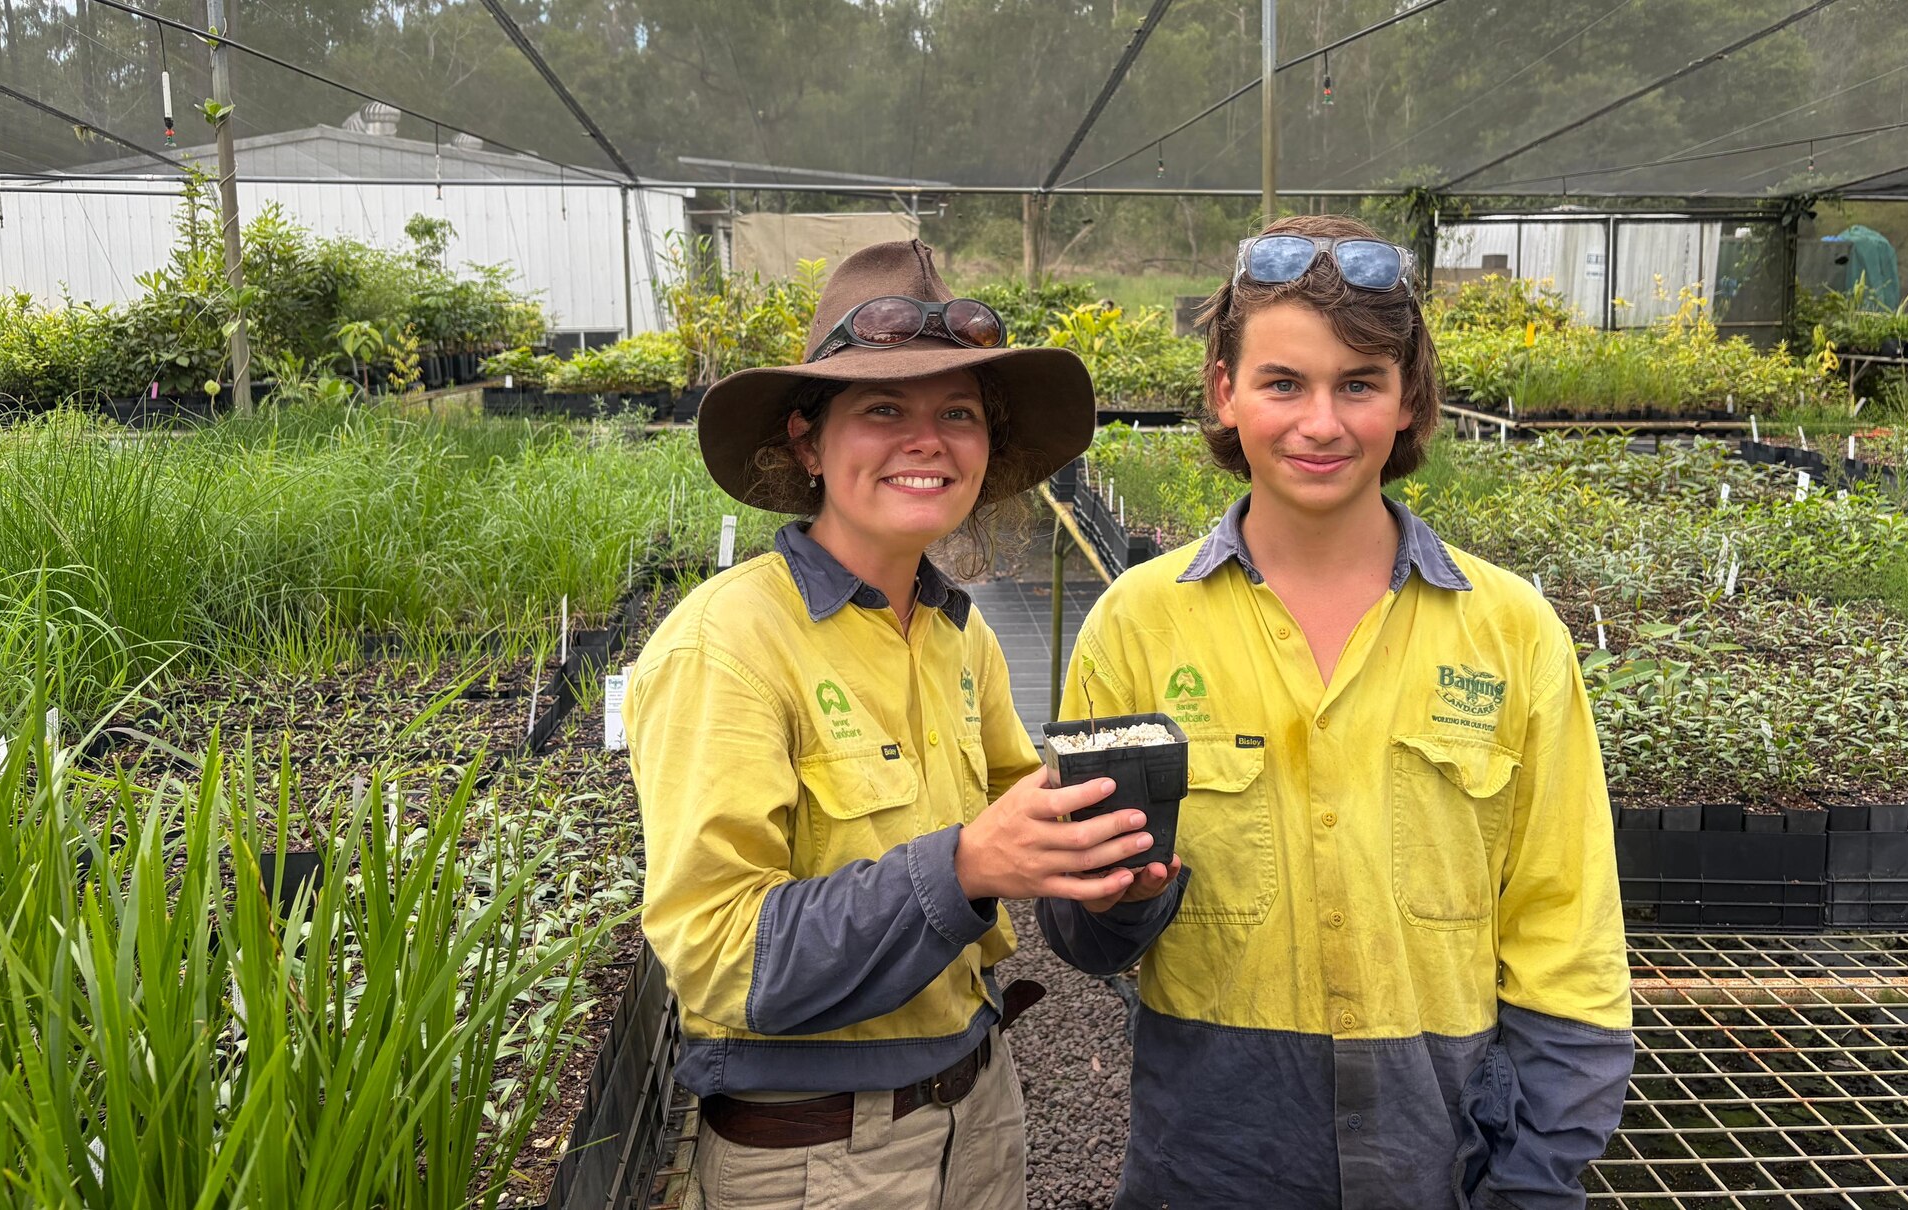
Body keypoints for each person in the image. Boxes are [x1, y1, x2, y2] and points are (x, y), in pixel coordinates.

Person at [1039, 214, 1634, 1209]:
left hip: (1440, 1160)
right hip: (1208, 1162)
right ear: (1224, 393)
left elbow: (1563, 927)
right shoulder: (1134, 627)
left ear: (1406, 401)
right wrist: (1112, 896)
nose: (1321, 422)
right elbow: (1080, 930)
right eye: (1283, 383)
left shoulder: (1507, 630)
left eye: (1357, 383)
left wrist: (1533, 1173)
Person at [625, 239, 1161, 1209]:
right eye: (883, 410)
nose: (928, 440)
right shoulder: (728, 644)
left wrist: (1114, 877)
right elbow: (718, 958)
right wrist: (960, 865)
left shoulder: (960, 636)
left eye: (956, 412)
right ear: (805, 440)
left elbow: (1019, 844)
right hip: (816, 1160)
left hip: (981, 1117)